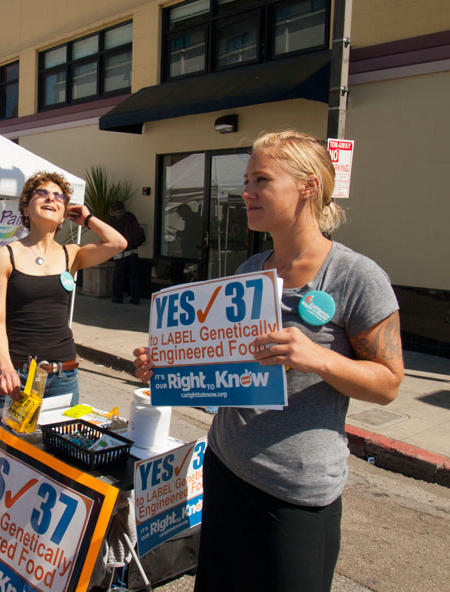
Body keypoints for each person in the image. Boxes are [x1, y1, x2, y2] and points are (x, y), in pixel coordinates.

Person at [133, 130, 403, 592]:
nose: (247, 192)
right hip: (225, 468)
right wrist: (170, 367)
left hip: (296, 492)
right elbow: (225, 368)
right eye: (247, 180)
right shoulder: (250, 270)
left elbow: (388, 384)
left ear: (308, 186)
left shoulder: (356, 276)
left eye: (262, 179)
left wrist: (319, 359)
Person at [0, 171, 126, 410]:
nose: (50, 198)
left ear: (64, 215)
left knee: (58, 446)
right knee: (12, 445)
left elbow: (118, 243)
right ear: (26, 209)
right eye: (41, 193)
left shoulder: (71, 254)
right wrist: (6, 367)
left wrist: (88, 218)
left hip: (64, 375)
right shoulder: (6, 255)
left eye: (58, 196)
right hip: (18, 376)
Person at [108, 200, 143, 304]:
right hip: (133, 250)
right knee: (133, 276)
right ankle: (135, 298)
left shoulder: (112, 219)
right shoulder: (130, 216)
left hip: (120, 251)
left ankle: (117, 298)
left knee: (118, 276)